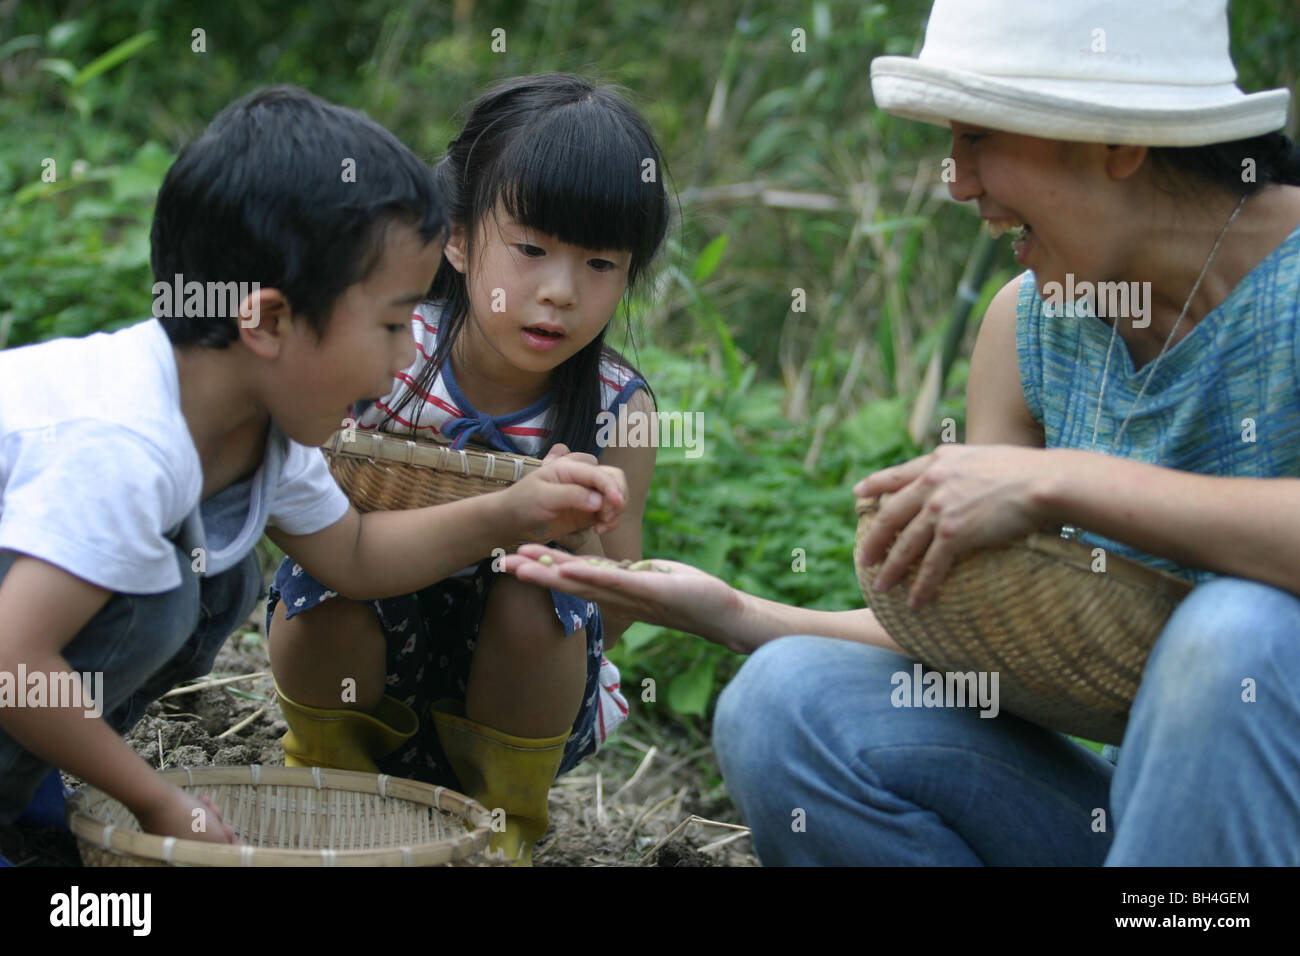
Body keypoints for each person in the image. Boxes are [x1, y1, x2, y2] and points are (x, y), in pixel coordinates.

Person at [504, 0, 1300, 865]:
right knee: (787, 702)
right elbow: (975, 640)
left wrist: (1059, 485)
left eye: (978, 139)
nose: (957, 182)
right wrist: (729, 614)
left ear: (1115, 139)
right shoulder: (1028, 328)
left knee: (1238, 632)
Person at [0, 85, 627, 858]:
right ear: (266, 321)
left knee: (212, 582)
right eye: (395, 324)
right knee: (161, 601)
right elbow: (11, 660)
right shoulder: (126, 445)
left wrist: (513, 513)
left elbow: (356, 558)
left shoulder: (261, 436)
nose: (407, 357)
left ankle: (24, 788)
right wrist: (153, 799)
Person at [265, 74, 669, 865]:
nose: (558, 293)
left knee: (540, 595)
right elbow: (307, 505)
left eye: (599, 264)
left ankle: (496, 832)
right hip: (366, 652)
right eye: (529, 250)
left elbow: (617, 607)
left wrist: (581, 545)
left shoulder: (617, 406)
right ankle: (332, 789)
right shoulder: (394, 348)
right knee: (324, 583)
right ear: (456, 238)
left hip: (518, 702)